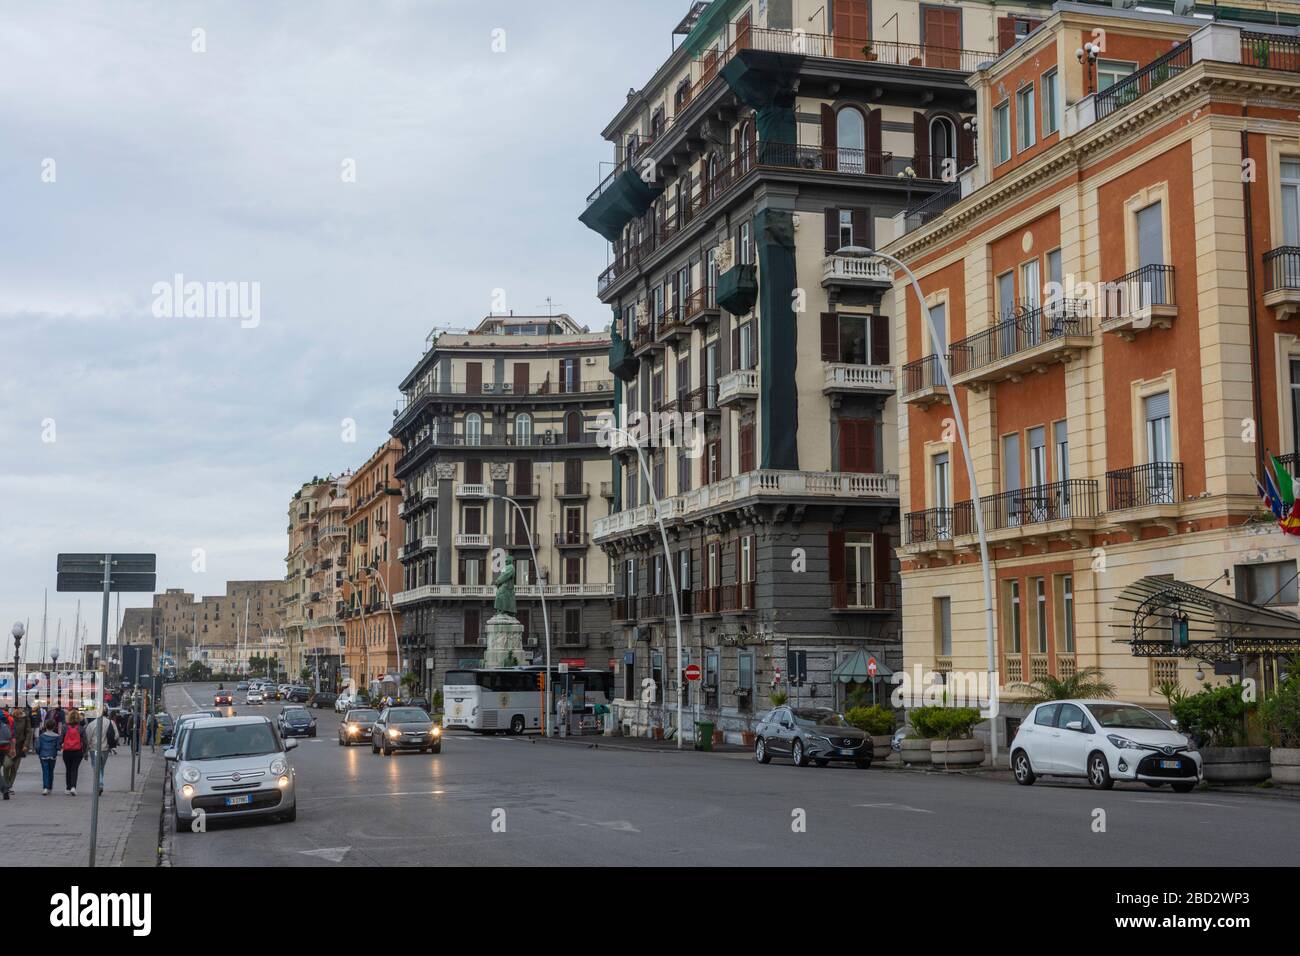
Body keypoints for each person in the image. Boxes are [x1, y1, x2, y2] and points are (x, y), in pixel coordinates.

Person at [84, 711, 118, 796]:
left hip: (94, 749)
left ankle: (100, 784)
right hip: (105, 749)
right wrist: (111, 744)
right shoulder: (111, 722)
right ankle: (100, 783)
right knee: (101, 767)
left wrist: (86, 751)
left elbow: (87, 739)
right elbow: (116, 735)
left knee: (96, 768)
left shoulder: (91, 724)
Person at [3, 704, 32, 790]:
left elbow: (28, 732)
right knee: (6, 765)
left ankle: (9, 786)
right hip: (9, 745)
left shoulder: (26, 718)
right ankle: (6, 783)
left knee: (15, 767)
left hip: (20, 746)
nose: (18, 709)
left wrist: (26, 745)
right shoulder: (9, 717)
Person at [60, 709, 85, 795]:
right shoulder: (81, 728)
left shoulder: (64, 727)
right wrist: (85, 752)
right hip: (78, 751)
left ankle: (68, 787)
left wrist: (60, 746)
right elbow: (84, 741)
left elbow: (61, 739)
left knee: (68, 769)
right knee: (75, 769)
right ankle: (73, 787)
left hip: (67, 751)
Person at [35, 719, 61, 795]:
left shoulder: (42, 736)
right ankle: (50, 787)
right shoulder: (57, 736)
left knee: (45, 771)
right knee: (51, 771)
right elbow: (58, 747)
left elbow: (38, 747)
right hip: (52, 755)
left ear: (45, 726)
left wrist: (39, 753)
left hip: (43, 755)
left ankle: (45, 787)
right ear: (54, 727)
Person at [0, 710, 13, 800]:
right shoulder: (5, 723)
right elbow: (10, 735)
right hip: (3, 749)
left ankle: (4, 789)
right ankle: (5, 788)